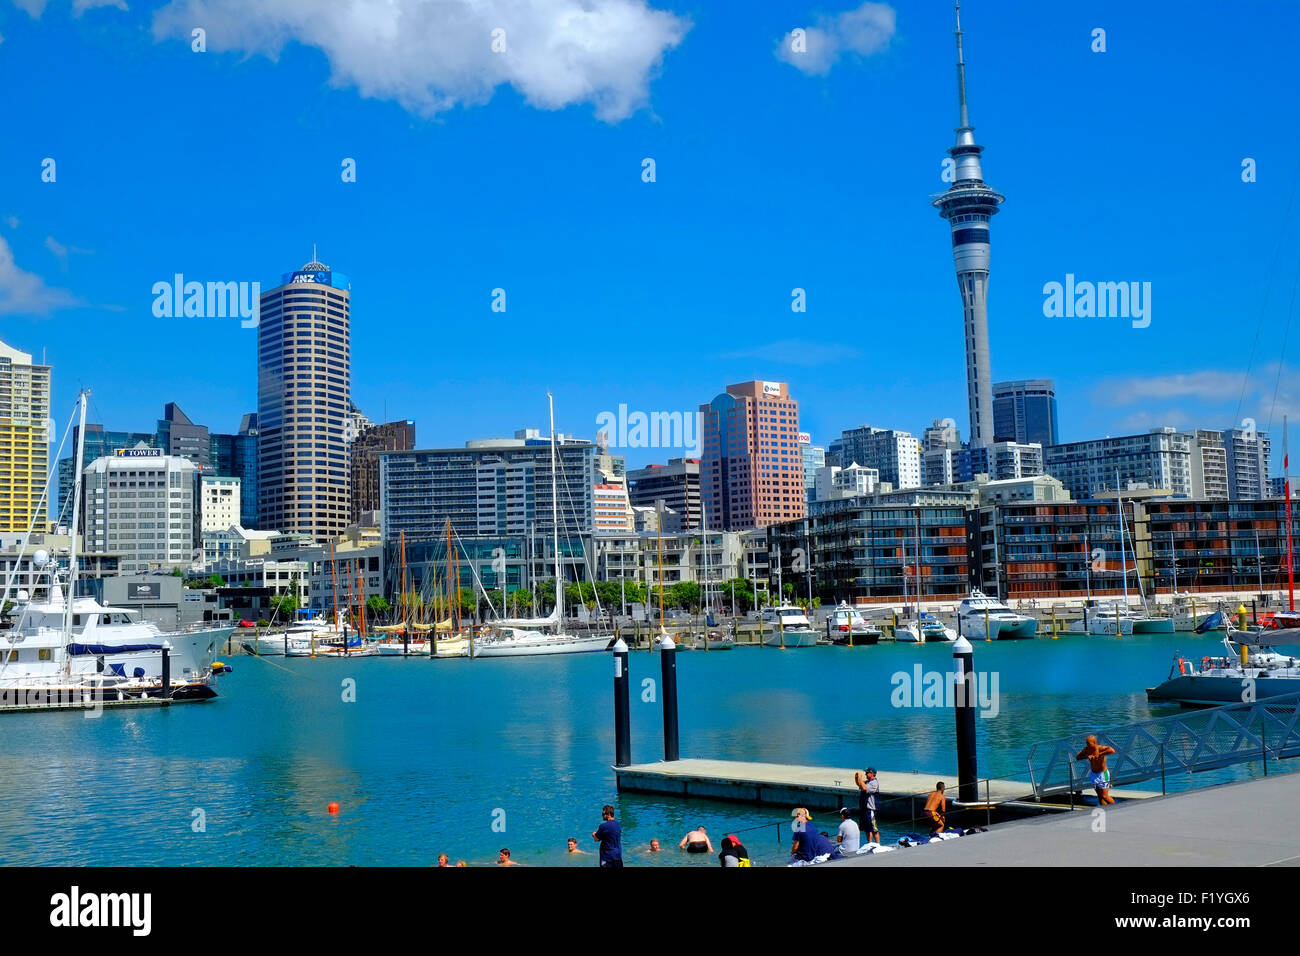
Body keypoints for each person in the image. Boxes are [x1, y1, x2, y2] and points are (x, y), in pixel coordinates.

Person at [1076, 734, 1117, 806]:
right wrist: (1086, 756)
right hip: (1094, 774)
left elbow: (1112, 750)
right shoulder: (1086, 750)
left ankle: (1117, 808)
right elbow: (1078, 757)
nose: (1087, 745)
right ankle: (1105, 810)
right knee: (1100, 796)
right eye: (1087, 743)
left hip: (1103, 774)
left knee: (1104, 795)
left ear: (1095, 742)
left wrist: (1100, 754)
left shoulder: (1100, 748)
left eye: (1089, 743)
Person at [855, 767, 881, 846]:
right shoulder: (868, 782)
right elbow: (860, 784)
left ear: (872, 774)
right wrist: (857, 778)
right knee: (867, 829)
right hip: (864, 809)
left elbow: (864, 788)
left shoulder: (874, 783)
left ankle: (878, 844)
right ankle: (869, 844)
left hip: (871, 809)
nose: (866, 774)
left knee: (874, 828)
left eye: (867, 773)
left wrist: (860, 777)